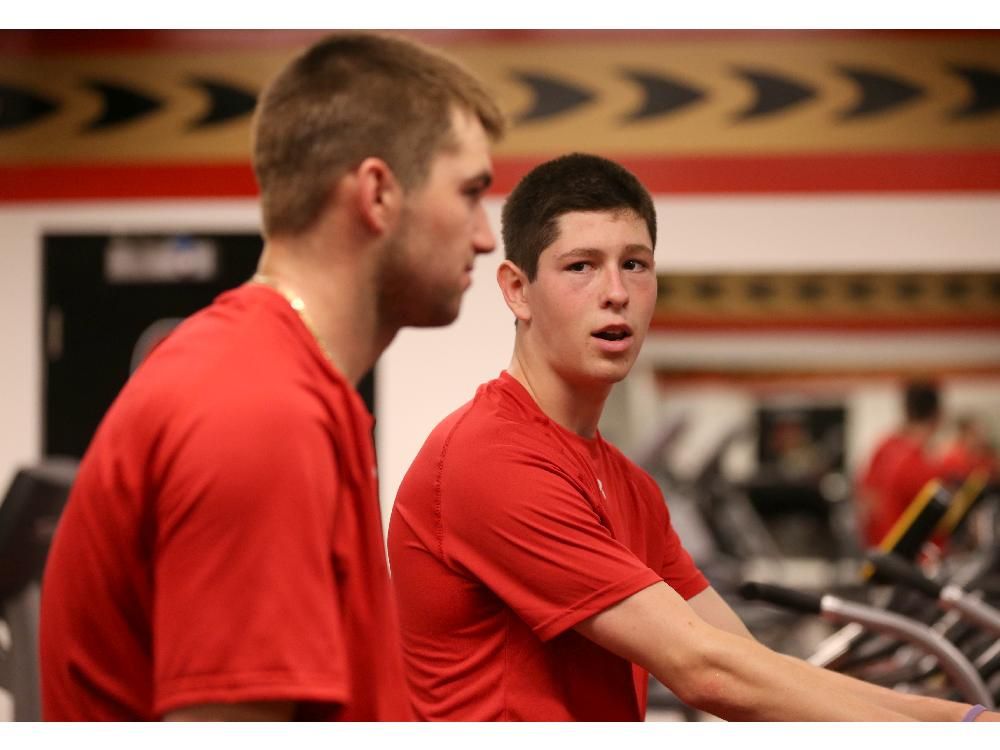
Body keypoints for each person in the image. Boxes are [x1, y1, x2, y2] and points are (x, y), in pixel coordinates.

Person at [387, 153, 999, 722]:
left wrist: (964, 719)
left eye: (635, 264)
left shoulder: (632, 489)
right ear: (518, 290)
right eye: (581, 267)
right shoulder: (490, 456)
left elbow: (743, 658)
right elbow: (705, 671)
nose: (617, 294)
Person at [39, 32, 504, 721]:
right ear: (378, 194)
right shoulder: (261, 412)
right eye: (470, 193)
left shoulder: (288, 388)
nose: (486, 236)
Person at [856, 380, 943, 548]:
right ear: (937, 415)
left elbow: (866, 499)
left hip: (880, 550)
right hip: (905, 557)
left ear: (906, 410)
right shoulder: (922, 464)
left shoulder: (884, 446)